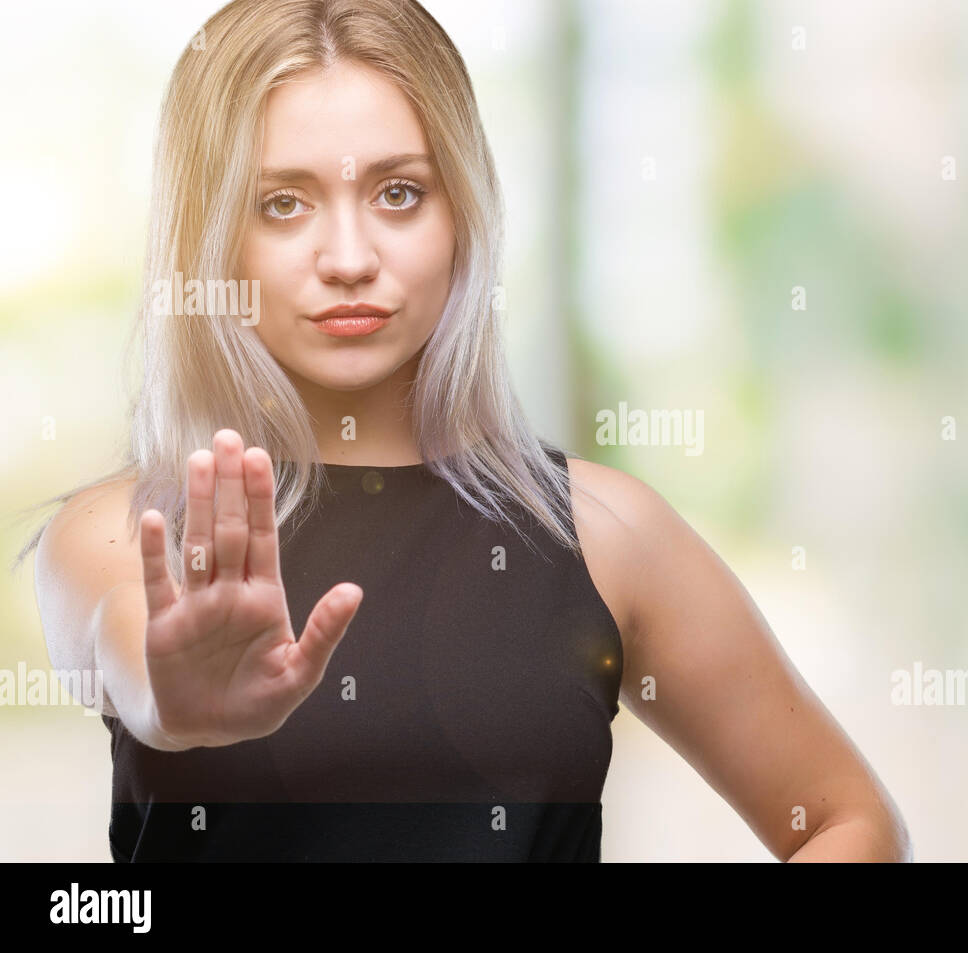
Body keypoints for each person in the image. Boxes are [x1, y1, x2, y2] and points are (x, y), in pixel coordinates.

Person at [21, 0, 910, 862]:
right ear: (208, 238)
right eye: (283, 203)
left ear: (461, 218)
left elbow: (847, 819)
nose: (349, 257)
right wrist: (173, 704)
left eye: (399, 193)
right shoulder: (112, 533)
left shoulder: (604, 535)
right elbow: (132, 657)